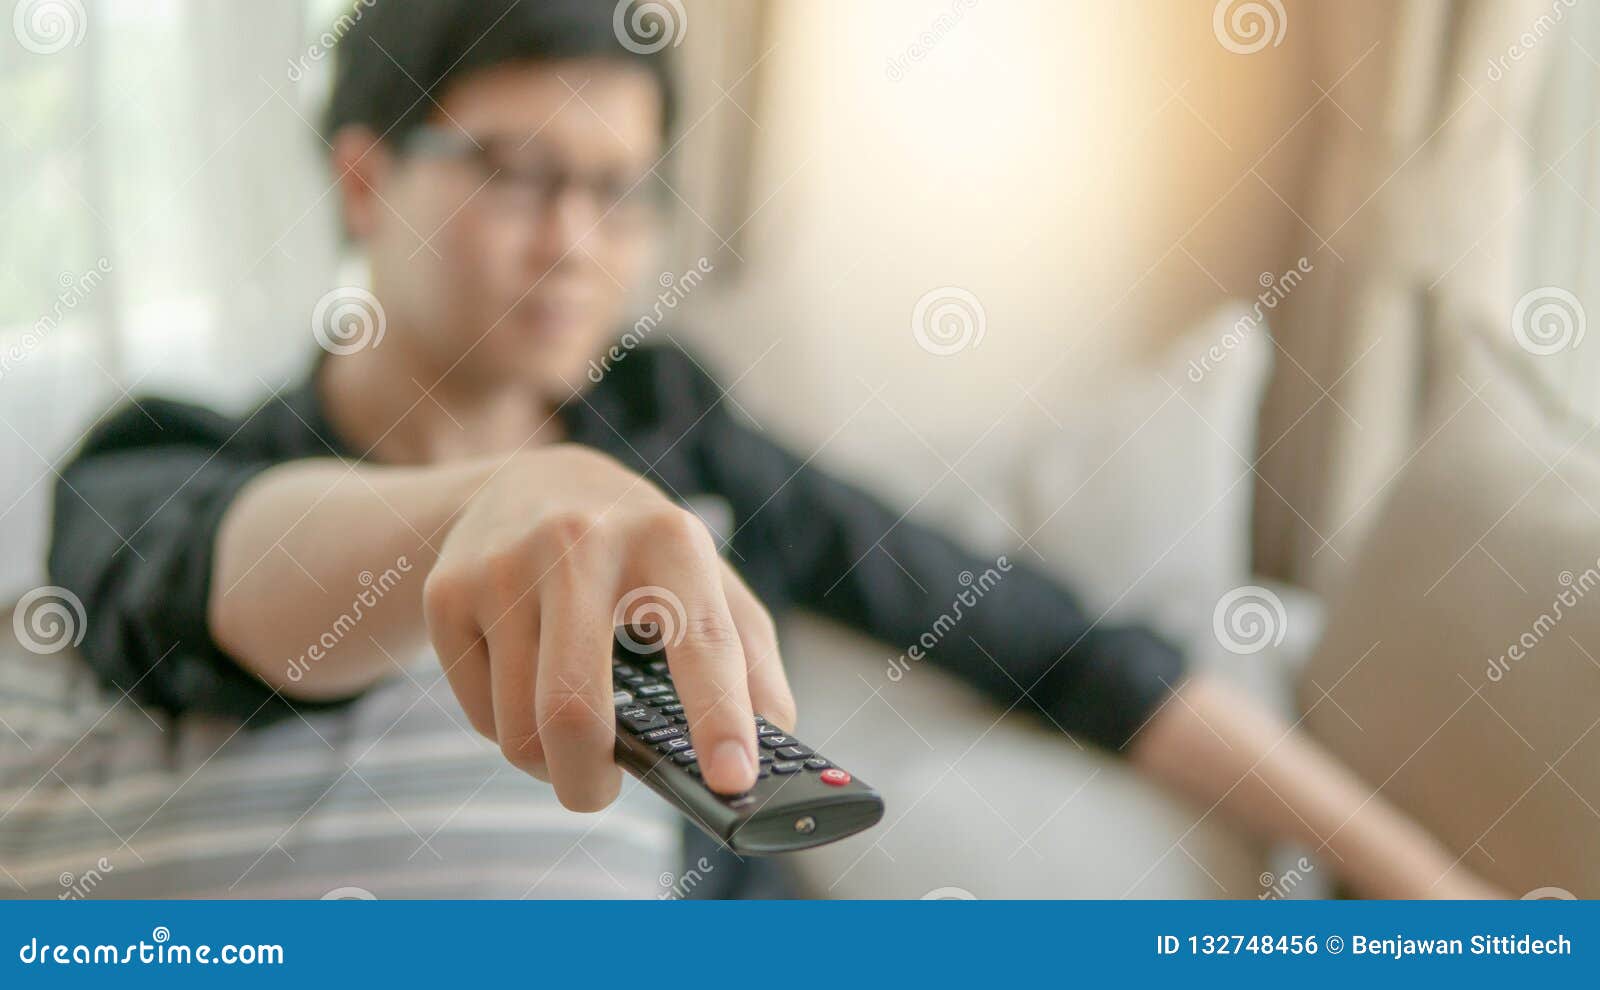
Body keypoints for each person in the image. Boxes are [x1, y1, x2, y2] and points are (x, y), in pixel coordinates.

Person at [49, 0, 1494, 899]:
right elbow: (215, 586)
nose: (576, 244)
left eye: (620, 193)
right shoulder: (165, 458)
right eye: (520, 174)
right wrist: (484, 503)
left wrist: (1434, 893)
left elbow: (1055, 643)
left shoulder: (679, 430)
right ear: (365, 175)